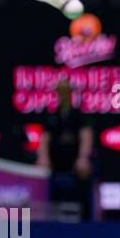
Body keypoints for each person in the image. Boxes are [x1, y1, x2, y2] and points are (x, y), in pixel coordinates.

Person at [36, 77, 94, 219]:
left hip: (75, 162)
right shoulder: (52, 115)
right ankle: (49, 218)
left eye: (65, 91)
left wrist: (83, 158)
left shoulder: (79, 115)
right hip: (56, 162)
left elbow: (86, 137)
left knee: (85, 171)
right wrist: (43, 157)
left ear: (70, 93)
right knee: (41, 172)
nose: (63, 94)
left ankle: (84, 219)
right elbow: (44, 140)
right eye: (60, 91)